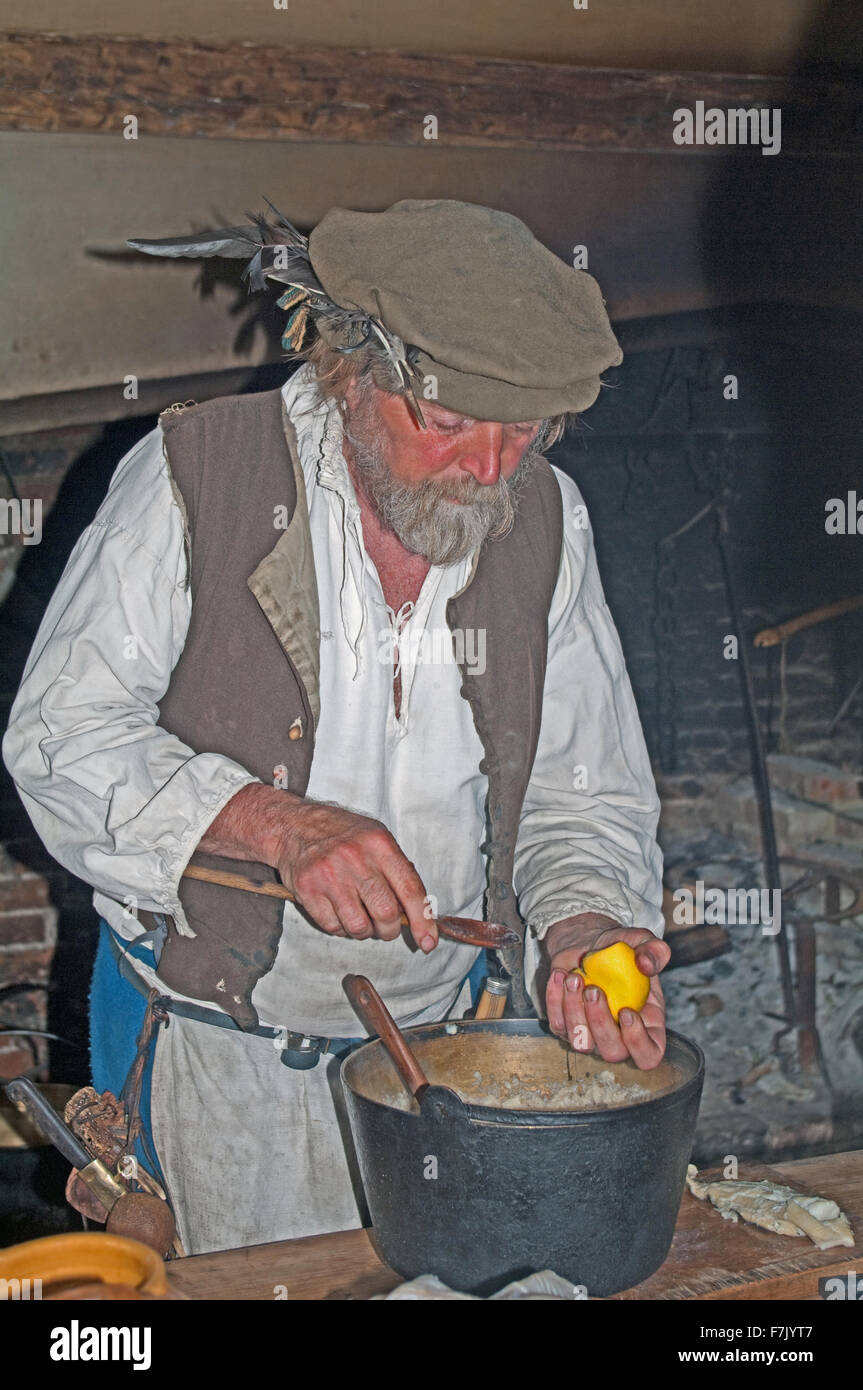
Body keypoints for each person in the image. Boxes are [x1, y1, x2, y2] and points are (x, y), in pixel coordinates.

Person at [3, 198, 669, 1255]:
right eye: (449, 423)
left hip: (432, 1053)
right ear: (352, 373)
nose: (490, 469)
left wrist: (583, 921)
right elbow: (58, 740)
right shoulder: (194, 478)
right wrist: (274, 823)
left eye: (524, 428)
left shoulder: (546, 518)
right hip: (215, 1056)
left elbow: (575, 792)